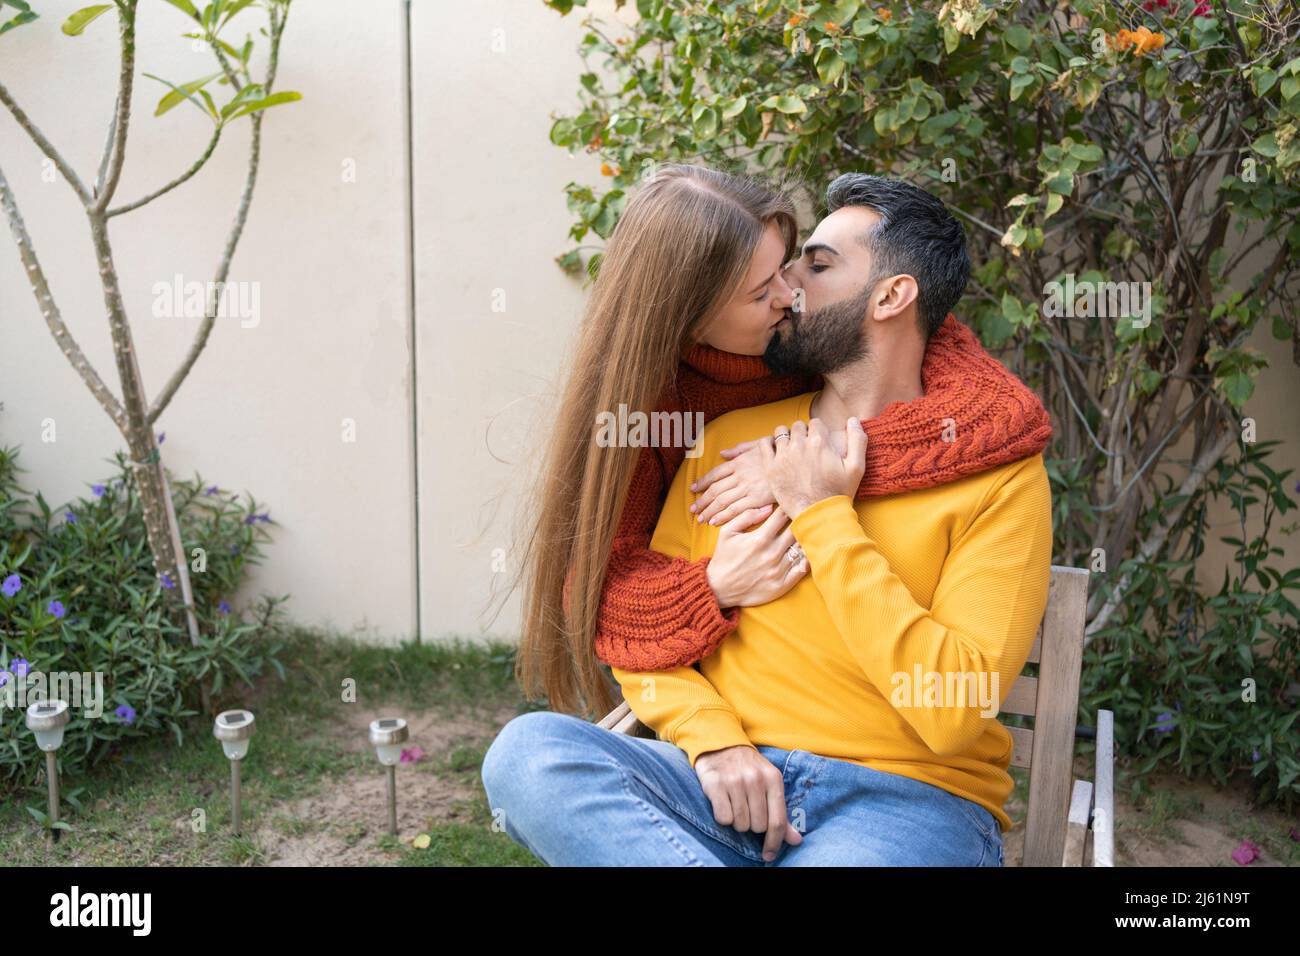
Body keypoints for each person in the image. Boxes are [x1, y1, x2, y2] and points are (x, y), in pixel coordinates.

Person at [484, 174, 1053, 866]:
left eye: (814, 264)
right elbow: (641, 632)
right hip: (725, 788)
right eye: (774, 281)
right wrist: (713, 738)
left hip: (903, 802)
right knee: (529, 756)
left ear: (893, 295)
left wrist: (823, 514)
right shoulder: (725, 438)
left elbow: (951, 709)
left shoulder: (996, 472)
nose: (790, 291)